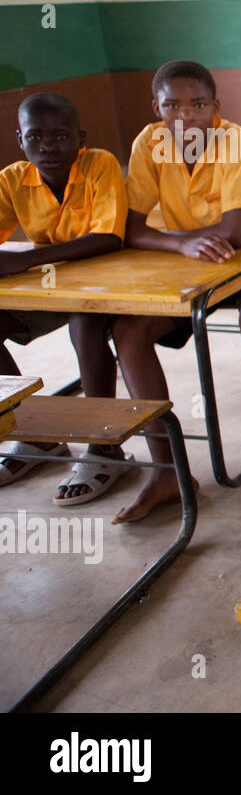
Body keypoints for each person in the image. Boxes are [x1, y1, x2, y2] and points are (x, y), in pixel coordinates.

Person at [111, 60, 241, 523]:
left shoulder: (237, 141)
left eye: (198, 104)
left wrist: (187, 241)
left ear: (215, 107)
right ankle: (166, 469)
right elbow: (131, 227)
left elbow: (235, 232)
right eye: (171, 105)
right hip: (192, 260)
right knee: (128, 331)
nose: (185, 116)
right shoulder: (148, 143)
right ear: (155, 107)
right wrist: (181, 242)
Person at [0, 93, 128, 505]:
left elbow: (108, 237)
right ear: (20, 139)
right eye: (36, 136)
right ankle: (34, 435)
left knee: (84, 325)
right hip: (53, 284)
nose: (48, 146)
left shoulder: (100, 164)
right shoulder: (12, 179)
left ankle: (104, 444)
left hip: (109, 283)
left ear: (81, 138)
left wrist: (28, 259)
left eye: (60, 136)